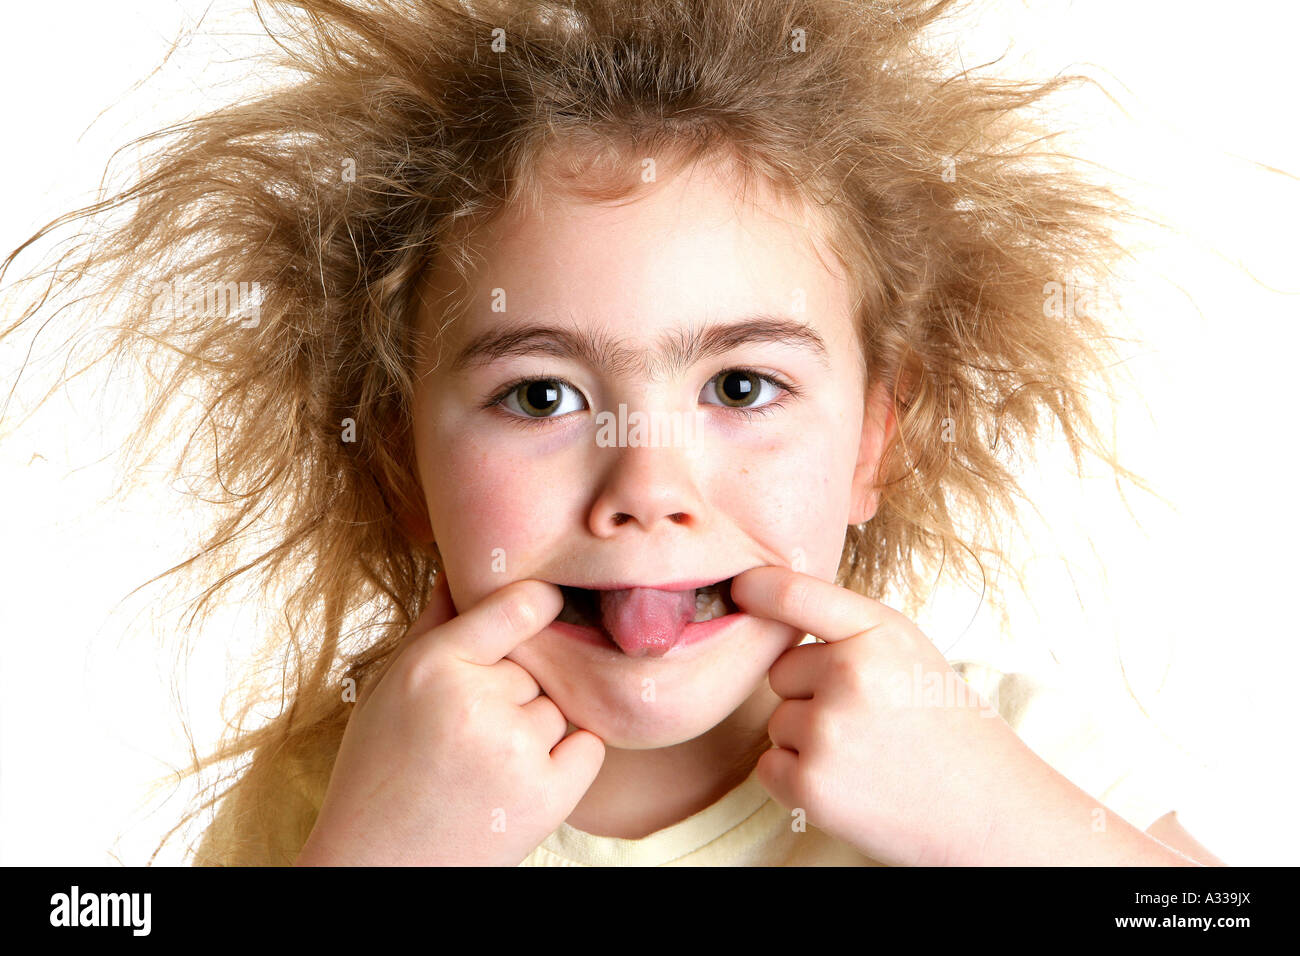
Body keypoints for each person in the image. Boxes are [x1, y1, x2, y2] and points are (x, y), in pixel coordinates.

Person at [0, 0, 1224, 866]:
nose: (646, 490)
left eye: (742, 386)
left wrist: (1002, 830)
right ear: (399, 467)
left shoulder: (993, 748)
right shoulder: (354, 792)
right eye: (541, 395)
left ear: (871, 444)